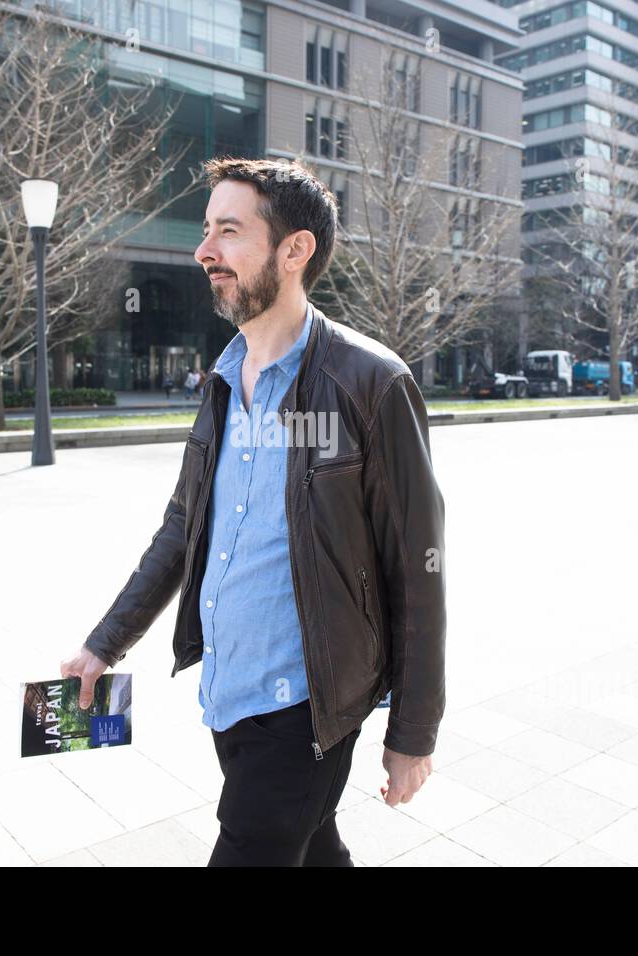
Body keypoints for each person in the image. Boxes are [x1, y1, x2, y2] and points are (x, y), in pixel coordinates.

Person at [60, 156, 446, 867]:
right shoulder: (221, 380)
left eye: (229, 232)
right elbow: (182, 528)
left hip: (306, 708)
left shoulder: (369, 383)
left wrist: (414, 731)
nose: (204, 251)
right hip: (227, 690)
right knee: (313, 846)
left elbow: (417, 565)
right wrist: (104, 643)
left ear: (294, 250)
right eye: (207, 231)